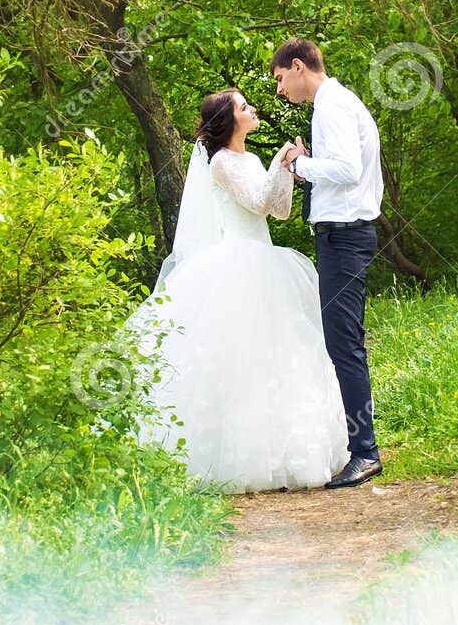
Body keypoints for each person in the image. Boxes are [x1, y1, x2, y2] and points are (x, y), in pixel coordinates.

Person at [126, 89, 349, 493]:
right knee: (241, 360)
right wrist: (284, 158)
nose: (252, 109)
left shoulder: (250, 158)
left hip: (265, 257)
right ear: (229, 121)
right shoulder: (223, 163)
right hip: (238, 263)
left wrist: (285, 168)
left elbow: (278, 209)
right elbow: (259, 200)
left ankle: (287, 451)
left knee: (278, 356)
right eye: (244, 107)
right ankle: (235, 456)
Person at [270, 38, 385, 489]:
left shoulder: (332, 105)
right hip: (343, 236)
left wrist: (302, 164)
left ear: (298, 67)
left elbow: (347, 170)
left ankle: (365, 452)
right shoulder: (335, 102)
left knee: (344, 346)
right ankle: (363, 448)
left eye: (281, 79)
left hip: (344, 236)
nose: (280, 91)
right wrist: (312, 163)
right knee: (345, 342)